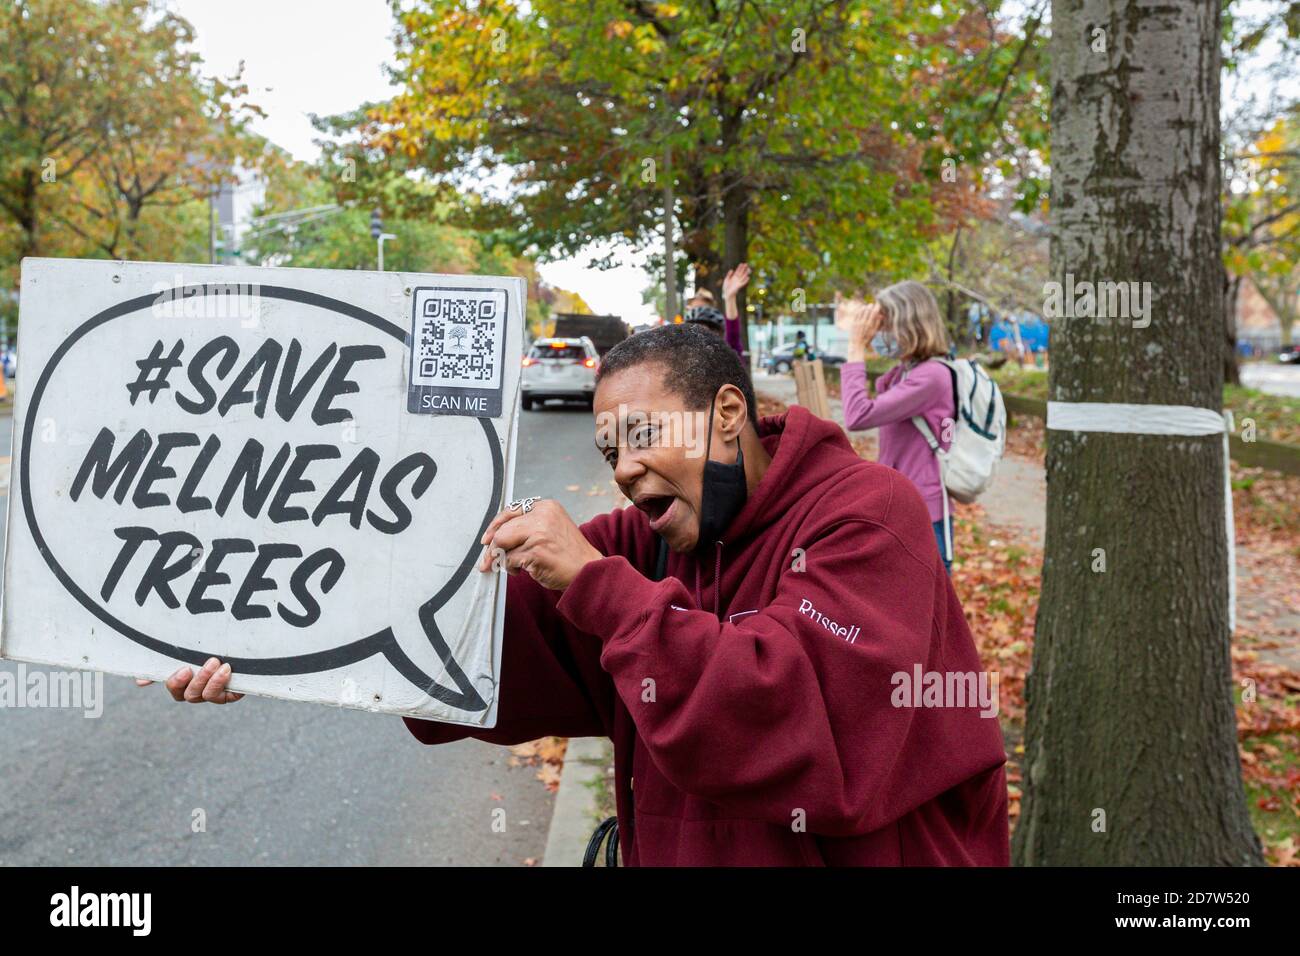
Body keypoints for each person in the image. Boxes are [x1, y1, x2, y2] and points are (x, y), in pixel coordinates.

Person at [144, 324, 1008, 866]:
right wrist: (260, 647)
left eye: (642, 435)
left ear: (730, 413)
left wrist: (598, 586)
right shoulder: (646, 544)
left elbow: (803, 723)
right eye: (608, 452)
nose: (625, 469)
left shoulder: (868, 513)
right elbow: (468, 645)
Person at [838, 281, 957, 572]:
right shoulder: (906, 372)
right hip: (902, 506)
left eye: (885, 324)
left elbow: (857, 415)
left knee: (926, 612)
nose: (878, 333)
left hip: (925, 516)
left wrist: (855, 347)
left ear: (907, 324)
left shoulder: (931, 376)